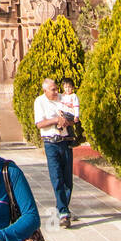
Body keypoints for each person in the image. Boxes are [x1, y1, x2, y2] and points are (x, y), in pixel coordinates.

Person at [33, 76, 77, 227]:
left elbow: (74, 118)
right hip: (51, 143)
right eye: (53, 90)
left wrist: (67, 121)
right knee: (56, 177)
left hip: (65, 141)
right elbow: (39, 123)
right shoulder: (39, 102)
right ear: (45, 90)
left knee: (68, 179)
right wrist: (55, 120)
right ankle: (64, 211)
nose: (56, 91)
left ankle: (62, 208)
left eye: (56, 88)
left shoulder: (63, 99)